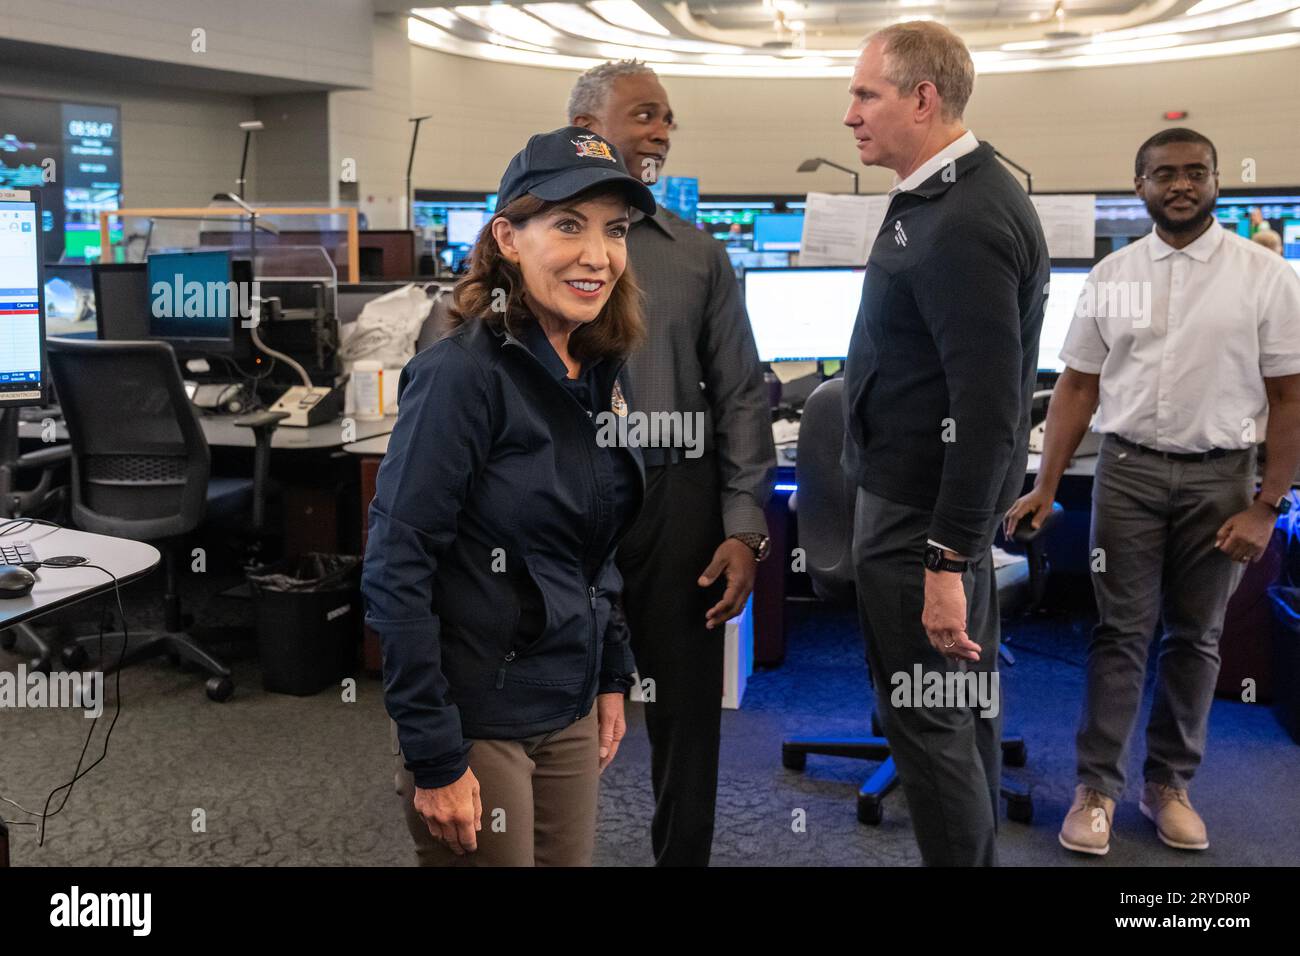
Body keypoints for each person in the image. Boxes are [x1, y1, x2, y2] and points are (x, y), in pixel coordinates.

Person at [362, 127, 656, 866]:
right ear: (508, 238)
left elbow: (595, 547)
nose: (598, 255)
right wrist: (433, 754)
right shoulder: (461, 377)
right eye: (567, 224)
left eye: (613, 231)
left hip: (569, 700)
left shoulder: (596, 367)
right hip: (478, 715)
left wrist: (611, 673)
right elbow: (397, 565)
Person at [1006, 128, 1300, 855]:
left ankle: (1169, 785)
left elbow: (1291, 398)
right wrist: (1046, 484)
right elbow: (1077, 385)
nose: (1180, 184)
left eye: (1195, 172)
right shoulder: (1114, 275)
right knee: (1120, 635)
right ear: (1139, 185)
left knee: (1196, 639)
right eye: (1163, 173)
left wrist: (1268, 505)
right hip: (1129, 472)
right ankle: (1096, 789)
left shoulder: (1266, 276)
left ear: (1217, 182)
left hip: (1223, 479)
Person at [840, 20, 1049, 867]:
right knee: (953, 715)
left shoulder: (964, 216)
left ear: (922, 99)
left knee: (927, 724)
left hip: (919, 521)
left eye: (865, 94)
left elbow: (992, 410)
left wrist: (945, 561)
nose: (848, 115)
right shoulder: (943, 193)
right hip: (921, 511)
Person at [567, 60, 776, 866]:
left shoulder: (698, 256)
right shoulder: (532, 242)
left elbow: (741, 400)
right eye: (644, 115)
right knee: (548, 698)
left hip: (674, 500)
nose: (660, 132)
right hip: (563, 503)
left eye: (667, 120)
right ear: (590, 128)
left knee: (686, 712)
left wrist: (743, 526)